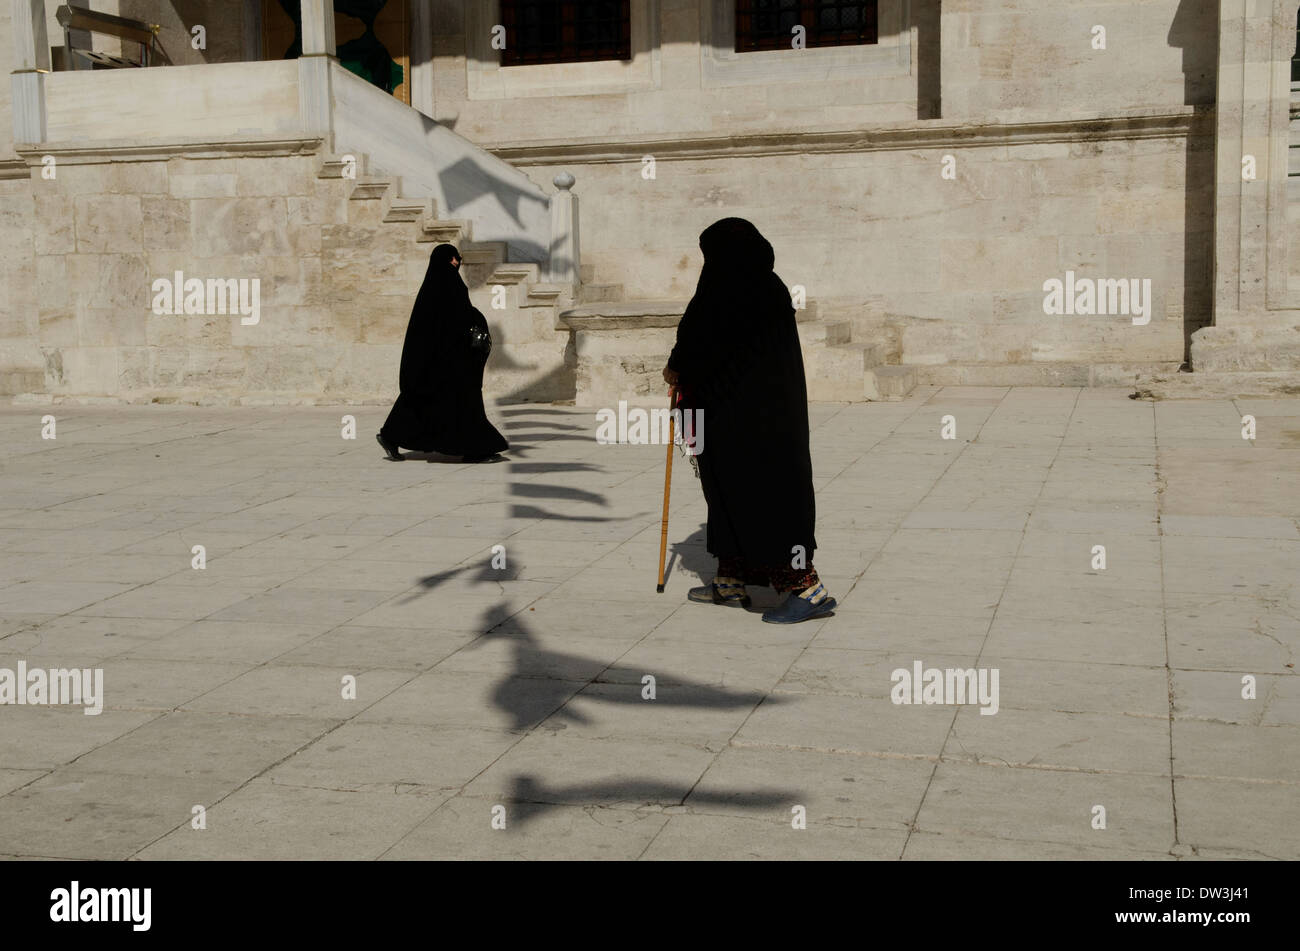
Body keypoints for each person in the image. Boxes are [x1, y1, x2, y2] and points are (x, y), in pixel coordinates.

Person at [662, 218, 836, 624]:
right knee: (725, 494)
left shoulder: (726, 293)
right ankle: (731, 579)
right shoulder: (768, 288)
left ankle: (807, 589)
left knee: (764, 499)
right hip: (740, 418)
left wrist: (676, 367)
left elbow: (698, 343)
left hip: (750, 423)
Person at [376, 243, 508, 463]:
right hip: (446, 361)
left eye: (457, 258)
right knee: (457, 402)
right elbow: (456, 319)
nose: (456, 262)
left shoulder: (435, 287)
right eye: (451, 259)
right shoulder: (445, 287)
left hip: (445, 360)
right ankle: (475, 449)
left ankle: (390, 435)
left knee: (425, 402)